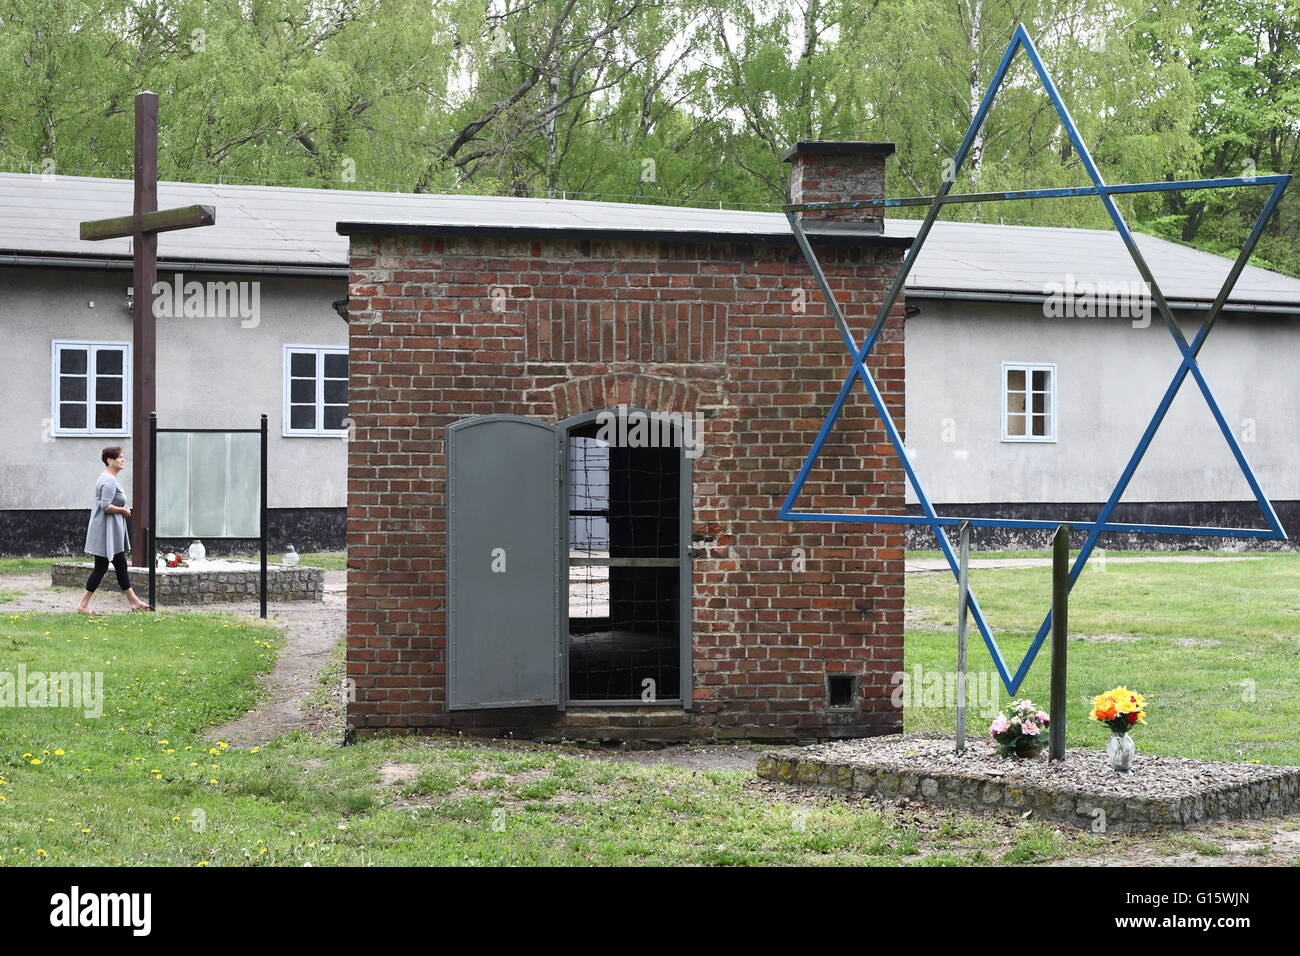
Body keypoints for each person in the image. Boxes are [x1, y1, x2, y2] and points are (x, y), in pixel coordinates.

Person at [74, 446, 151, 613]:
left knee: (119, 564)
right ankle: (83, 604)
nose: (123, 460)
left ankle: (133, 601)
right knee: (102, 567)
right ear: (109, 460)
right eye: (120, 457)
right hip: (105, 530)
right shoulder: (108, 480)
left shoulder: (109, 478)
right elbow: (105, 506)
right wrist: (123, 510)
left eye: (123, 457)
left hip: (109, 529)